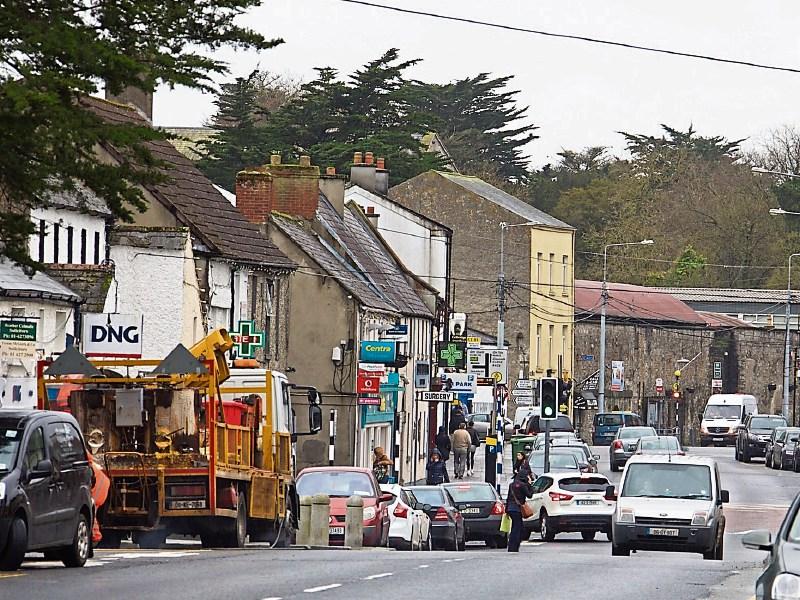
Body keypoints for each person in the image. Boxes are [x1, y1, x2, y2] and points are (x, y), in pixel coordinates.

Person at [505, 460, 534, 552]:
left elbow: (508, 497)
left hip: (510, 508)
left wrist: (506, 510)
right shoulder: (523, 485)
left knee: (515, 527)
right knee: (517, 528)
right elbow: (529, 495)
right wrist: (530, 484)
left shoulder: (512, 485)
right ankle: (514, 546)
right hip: (517, 509)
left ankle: (512, 546)